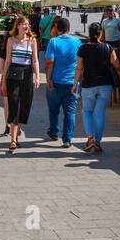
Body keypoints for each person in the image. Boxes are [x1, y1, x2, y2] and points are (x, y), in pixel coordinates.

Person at [75, 22, 119, 154]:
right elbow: (116, 64)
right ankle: (98, 142)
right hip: (105, 84)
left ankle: (90, 138)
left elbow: (79, 68)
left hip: (89, 84)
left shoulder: (83, 49)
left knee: (87, 111)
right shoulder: (107, 47)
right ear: (100, 33)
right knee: (100, 114)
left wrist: (74, 84)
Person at [0, 16, 40, 151]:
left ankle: (16, 133)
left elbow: (35, 60)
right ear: (17, 26)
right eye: (23, 24)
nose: (26, 26)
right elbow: (7, 60)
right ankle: (12, 139)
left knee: (25, 104)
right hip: (13, 74)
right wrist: (3, 79)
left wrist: (38, 77)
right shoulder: (11, 40)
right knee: (13, 104)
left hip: (28, 73)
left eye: (28, 24)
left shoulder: (32, 40)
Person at [42, 16, 81, 146]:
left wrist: (48, 78)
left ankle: (54, 132)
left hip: (56, 81)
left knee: (53, 110)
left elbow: (49, 61)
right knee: (70, 112)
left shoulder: (53, 42)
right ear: (69, 28)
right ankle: (67, 139)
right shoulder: (77, 42)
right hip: (72, 83)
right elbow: (81, 63)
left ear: (57, 28)